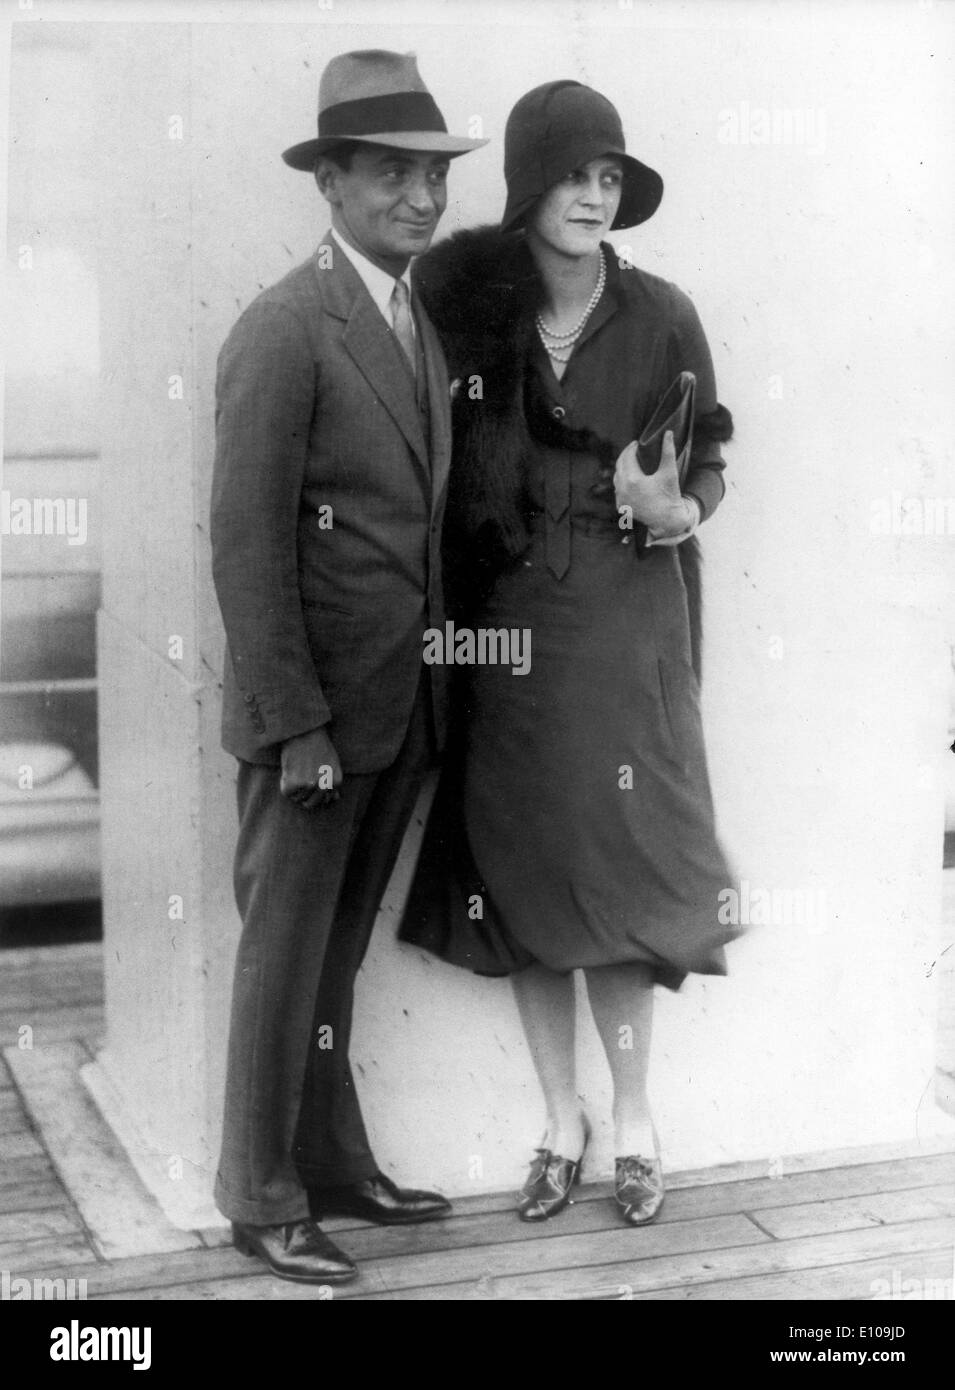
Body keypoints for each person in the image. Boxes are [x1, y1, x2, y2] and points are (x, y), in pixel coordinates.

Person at [402, 80, 740, 1227]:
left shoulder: (662, 315)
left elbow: (713, 465)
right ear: (527, 186)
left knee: (622, 868)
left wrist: (673, 510)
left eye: (610, 178)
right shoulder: (469, 312)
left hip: (625, 625)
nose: (593, 197)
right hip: (506, 640)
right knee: (520, 874)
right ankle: (563, 1119)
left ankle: (634, 1121)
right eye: (573, 174)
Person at [210, 49, 486, 1284]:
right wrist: (298, 724)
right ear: (328, 181)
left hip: (398, 712)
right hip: (315, 723)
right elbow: (248, 546)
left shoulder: (408, 313)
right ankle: (258, 1198)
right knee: (281, 964)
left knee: (330, 959)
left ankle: (330, 1165)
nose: (421, 200)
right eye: (391, 175)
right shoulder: (283, 327)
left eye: (432, 176)